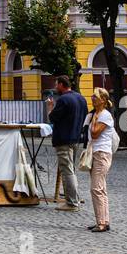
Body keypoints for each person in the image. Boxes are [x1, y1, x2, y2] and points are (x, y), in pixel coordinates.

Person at [47, 74, 88, 212]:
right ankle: (73, 197)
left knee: (67, 170)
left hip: (63, 138)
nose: (55, 87)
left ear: (61, 85)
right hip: (75, 138)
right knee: (71, 169)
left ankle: (71, 203)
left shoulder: (63, 99)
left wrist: (50, 107)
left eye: (56, 84)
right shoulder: (81, 98)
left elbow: (52, 118)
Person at [88, 87, 115, 232]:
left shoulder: (104, 115)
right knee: (101, 189)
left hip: (101, 154)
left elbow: (94, 134)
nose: (92, 98)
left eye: (95, 96)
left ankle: (102, 223)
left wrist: (94, 120)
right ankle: (102, 220)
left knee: (96, 189)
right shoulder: (96, 114)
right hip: (96, 153)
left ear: (103, 100)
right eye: (92, 96)